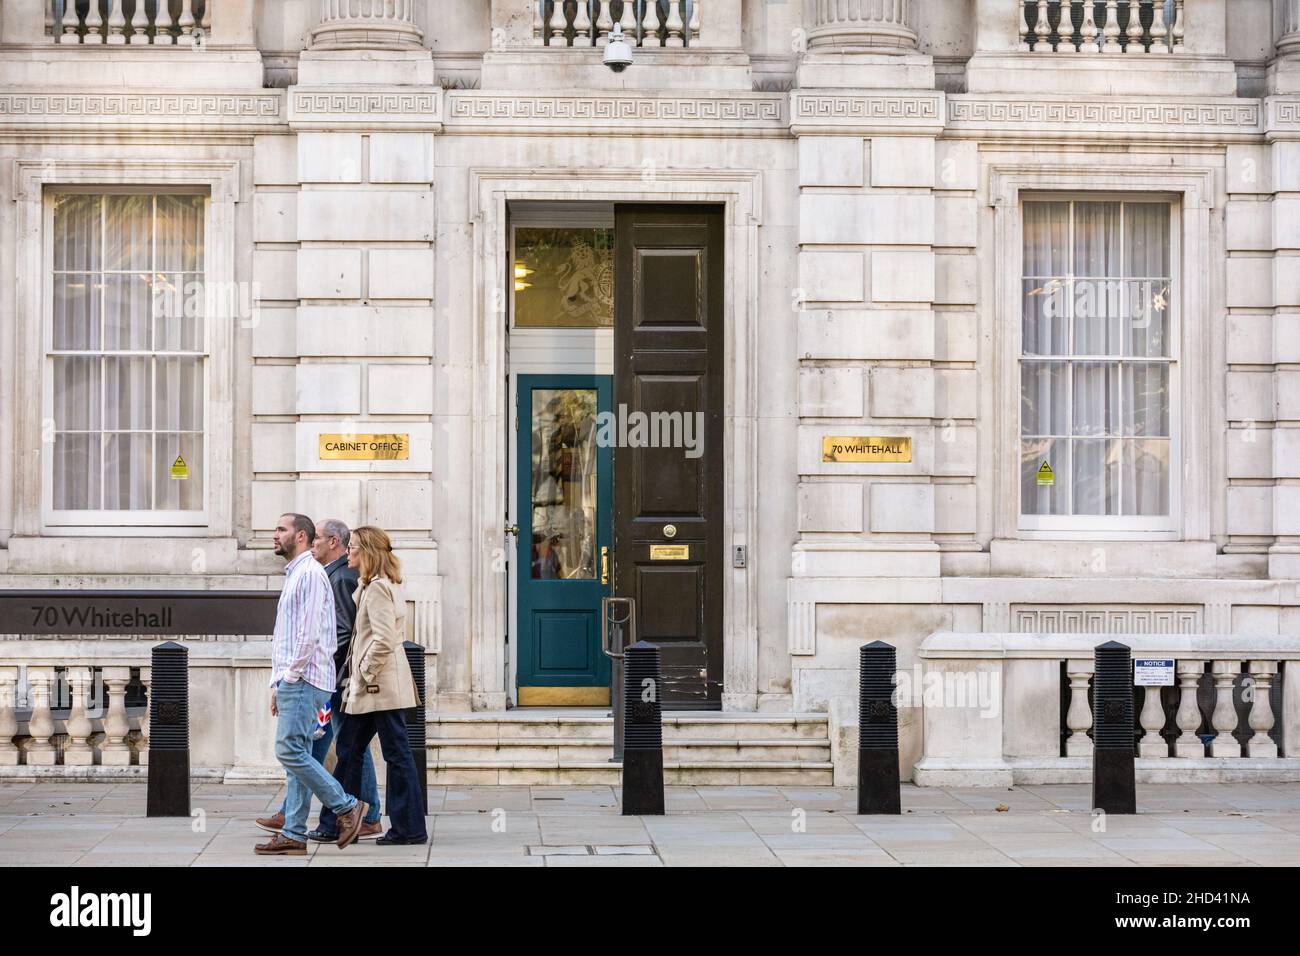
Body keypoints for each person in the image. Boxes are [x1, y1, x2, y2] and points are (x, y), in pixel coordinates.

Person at [257, 518, 382, 841]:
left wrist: (293, 674)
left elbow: (310, 633)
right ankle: (293, 832)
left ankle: (347, 806)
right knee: (305, 750)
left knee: (291, 751)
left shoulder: (314, 575)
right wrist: (279, 682)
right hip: (302, 679)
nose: (274, 534)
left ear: (300, 536)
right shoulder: (304, 573)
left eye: (281, 529)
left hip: (310, 678)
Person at [329, 525, 428, 846]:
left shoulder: (377, 589)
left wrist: (364, 673)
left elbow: (384, 639)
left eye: (353, 547)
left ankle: (406, 828)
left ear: (367, 553)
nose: (348, 552)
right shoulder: (374, 585)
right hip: (376, 687)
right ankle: (344, 820)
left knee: (394, 755)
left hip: (378, 688)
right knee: (350, 750)